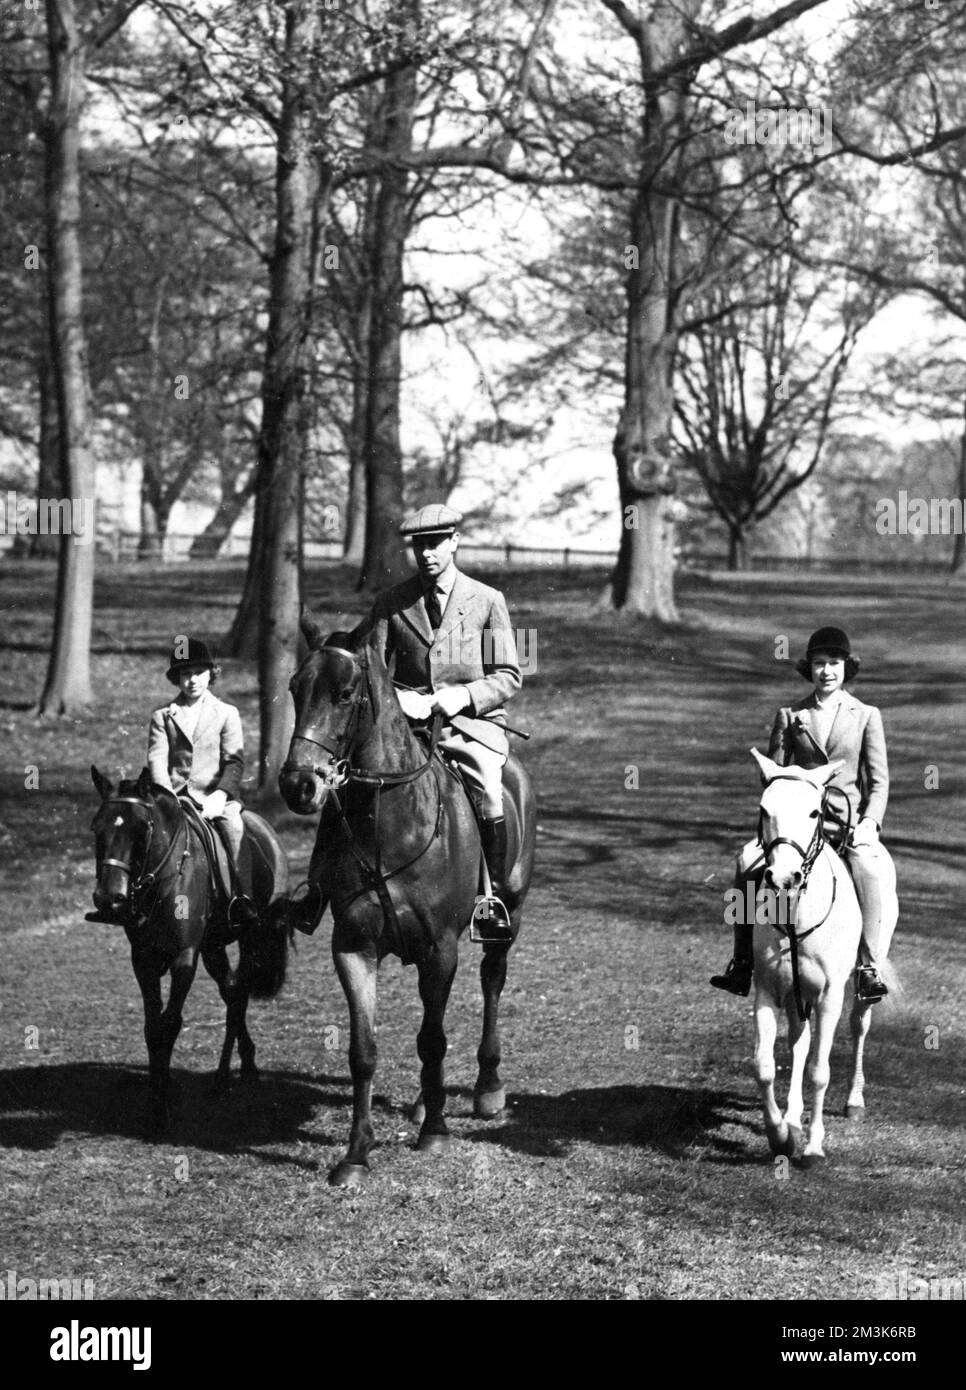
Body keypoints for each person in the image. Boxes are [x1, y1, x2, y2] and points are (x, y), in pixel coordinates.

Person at [349, 502, 522, 935]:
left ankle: (491, 895)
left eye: (435, 545)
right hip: (407, 724)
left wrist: (460, 695)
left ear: (454, 543)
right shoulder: (391, 602)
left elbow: (509, 676)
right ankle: (320, 886)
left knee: (486, 782)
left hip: (469, 725)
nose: (426, 554)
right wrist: (397, 701)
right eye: (419, 546)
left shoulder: (487, 600)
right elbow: (375, 668)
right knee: (352, 782)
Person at [710, 626, 898, 1002]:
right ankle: (743, 961)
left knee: (871, 870)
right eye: (818, 664)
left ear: (847, 667)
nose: (826, 671)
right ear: (807, 668)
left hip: (845, 825)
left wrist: (869, 823)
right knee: (747, 862)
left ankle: (868, 965)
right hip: (795, 827)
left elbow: (878, 782)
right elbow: (773, 778)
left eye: (834, 663)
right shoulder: (790, 714)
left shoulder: (865, 715)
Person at [145, 637, 258, 928]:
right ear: (177, 679)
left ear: (211, 674)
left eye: (198, 673)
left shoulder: (227, 713)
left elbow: (234, 761)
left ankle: (240, 897)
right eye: (185, 674)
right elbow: (157, 759)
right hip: (173, 796)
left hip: (213, 797)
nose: (192, 680)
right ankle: (137, 897)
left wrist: (221, 795)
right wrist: (165, 795)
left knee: (234, 828)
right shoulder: (162, 716)